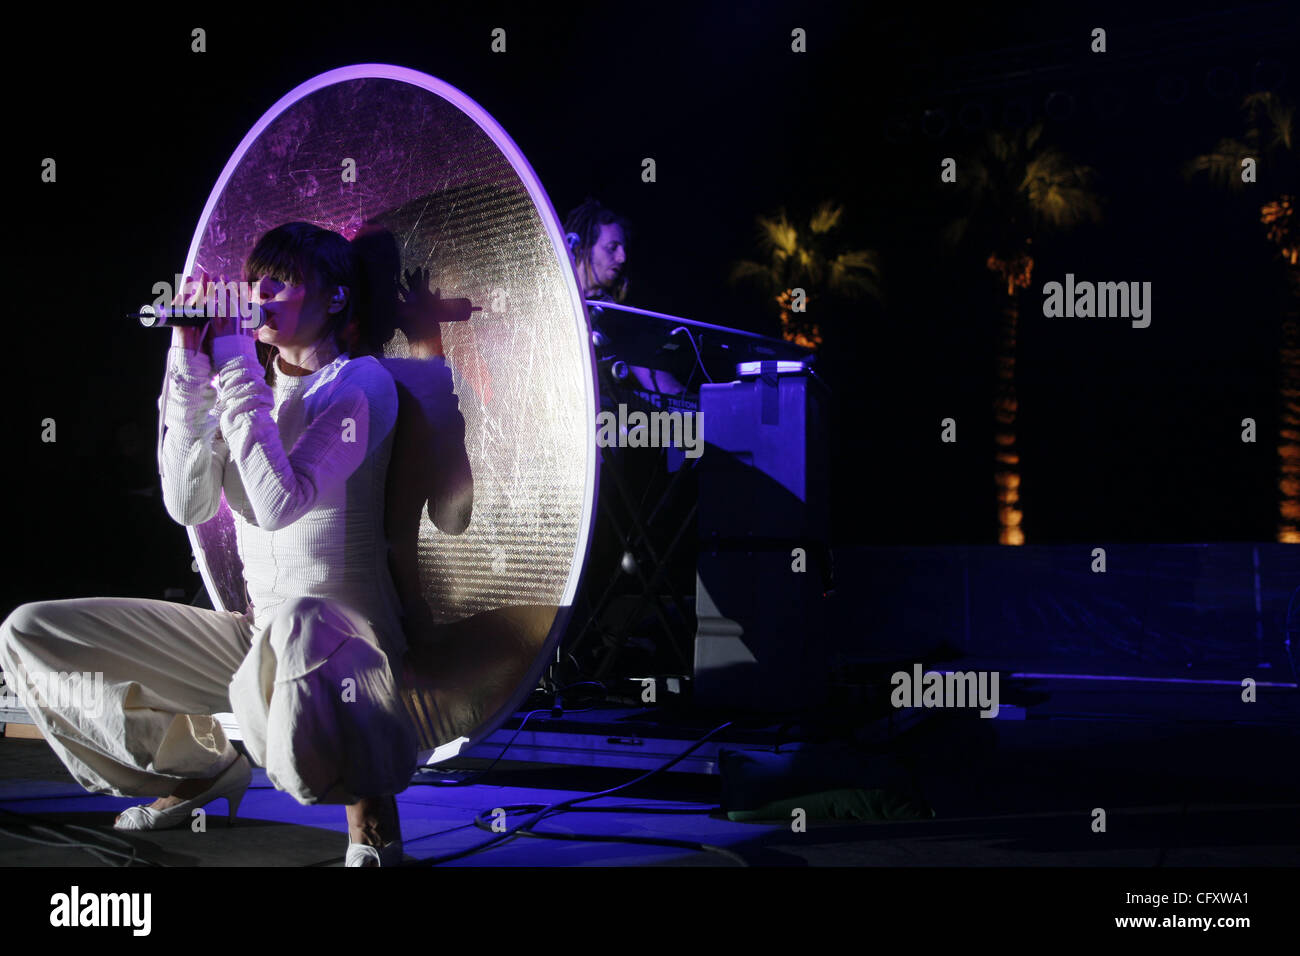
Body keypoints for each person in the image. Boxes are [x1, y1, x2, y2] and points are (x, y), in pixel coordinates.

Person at [0, 222, 416, 866]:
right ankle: (197, 767)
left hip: (348, 646)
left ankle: (370, 820)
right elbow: (186, 504)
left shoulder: (361, 386)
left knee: (305, 622)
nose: (260, 293)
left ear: (335, 298)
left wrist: (230, 363)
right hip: (255, 641)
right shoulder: (241, 382)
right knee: (30, 630)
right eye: (255, 281)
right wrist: (187, 363)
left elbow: (280, 503)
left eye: (281, 280)